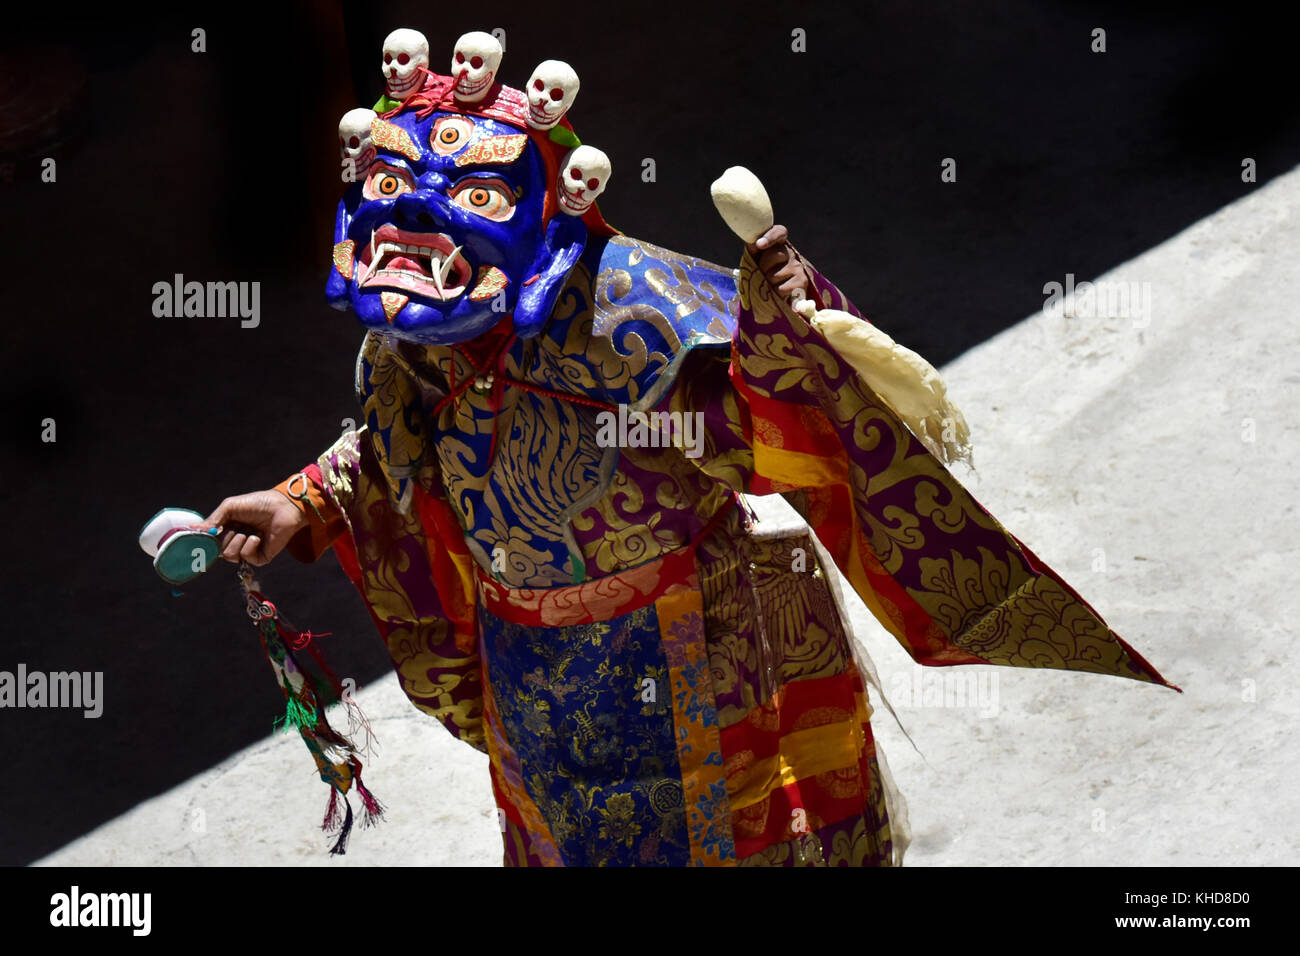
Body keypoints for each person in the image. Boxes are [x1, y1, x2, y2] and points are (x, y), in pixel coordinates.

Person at [194, 29, 1174, 867]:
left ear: (546, 206)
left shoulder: (636, 311)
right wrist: (306, 504)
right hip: (531, 675)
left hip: (697, 650)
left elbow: (771, 425)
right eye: (395, 185)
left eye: (470, 194)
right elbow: (388, 447)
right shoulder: (405, 342)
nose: (414, 220)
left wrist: (791, 322)